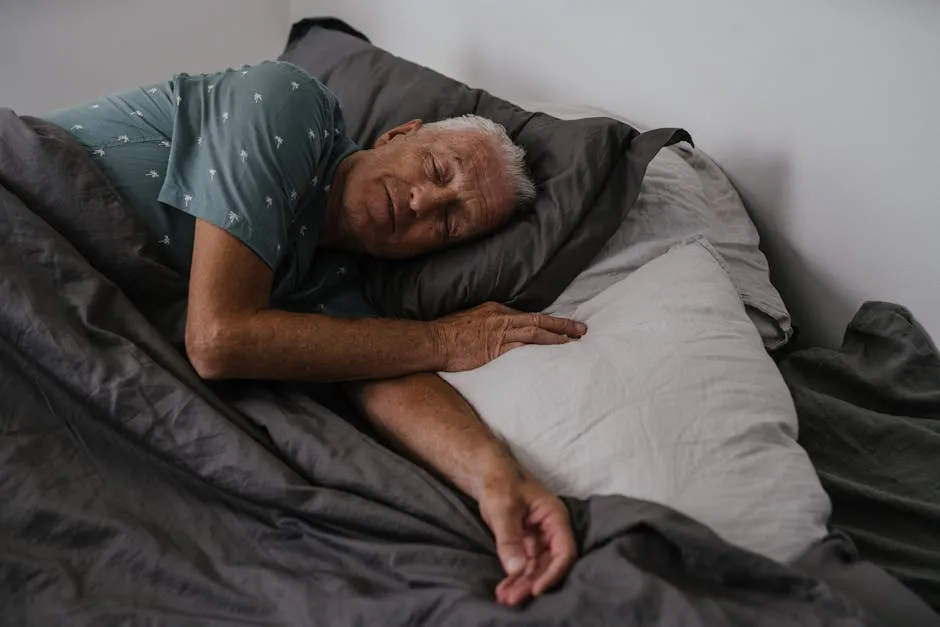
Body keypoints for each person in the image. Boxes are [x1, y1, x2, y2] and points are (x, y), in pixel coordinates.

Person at [43, 60, 587, 606]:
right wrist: (442, 339)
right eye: (438, 171)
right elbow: (218, 339)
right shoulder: (289, 103)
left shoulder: (335, 284)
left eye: (447, 225)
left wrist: (498, 478)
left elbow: (384, 375)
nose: (423, 202)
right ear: (400, 135)